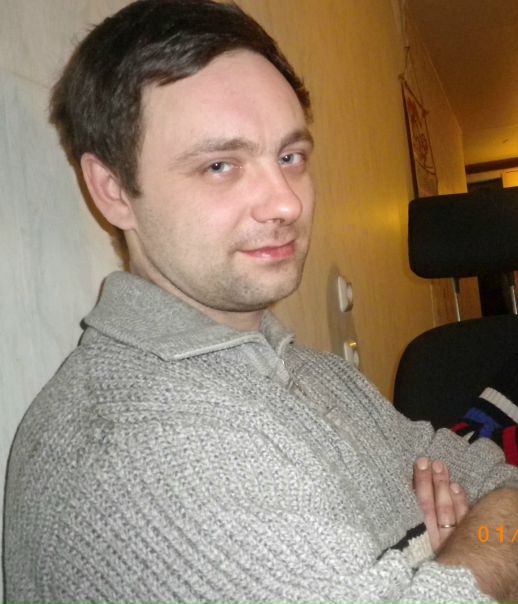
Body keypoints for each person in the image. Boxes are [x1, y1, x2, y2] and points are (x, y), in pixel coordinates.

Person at [4, 1, 518, 602]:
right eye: (220, 165)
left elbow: (499, 479)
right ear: (113, 189)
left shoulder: (320, 375)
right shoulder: (127, 444)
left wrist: (463, 552)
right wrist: (477, 549)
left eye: (290, 157)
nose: (287, 203)